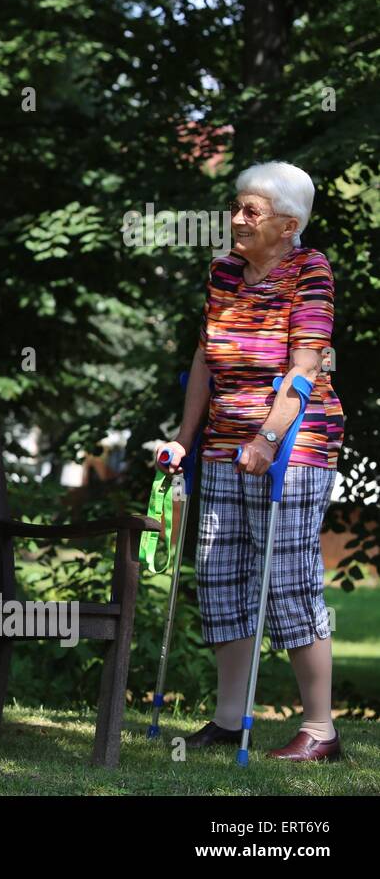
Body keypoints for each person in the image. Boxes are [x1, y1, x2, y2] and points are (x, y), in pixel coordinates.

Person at [157, 161, 345, 762]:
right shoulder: (222, 273)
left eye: (251, 211)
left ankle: (320, 729)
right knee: (221, 579)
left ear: (288, 224)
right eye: (236, 207)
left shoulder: (309, 270)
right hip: (222, 445)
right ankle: (229, 719)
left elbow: (306, 365)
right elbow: (205, 360)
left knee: (289, 582)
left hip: (293, 443)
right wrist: (185, 438)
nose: (237, 219)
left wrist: (267, 439)